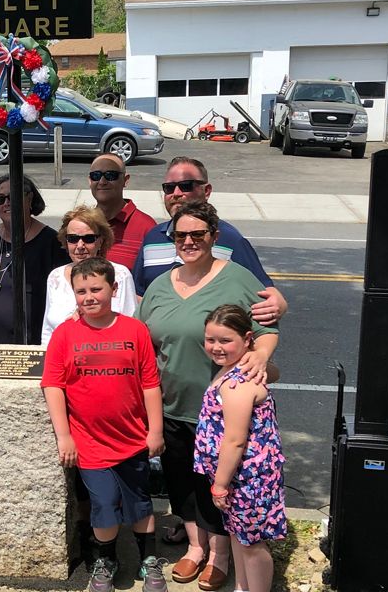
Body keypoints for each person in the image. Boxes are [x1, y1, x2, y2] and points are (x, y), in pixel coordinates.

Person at [136, 201, 278, 590]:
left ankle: (219, 554)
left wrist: (260, 359)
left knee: (218, 486)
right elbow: (142, 340)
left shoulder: (237, 278)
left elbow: (267, 326)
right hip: (171, 404)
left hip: (220, 413)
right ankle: (194, 548)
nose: (188, 241)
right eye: (180, 235)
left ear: (214, 237)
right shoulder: (162, 284)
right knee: (181, 480)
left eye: (198, 234)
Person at [42, 257, 167, 592]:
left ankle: (148, 561)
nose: (89, 296)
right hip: (89, 442)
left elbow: (150, 384)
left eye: (96, 288)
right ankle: (106, 559)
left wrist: (155, 430)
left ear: (113, 289)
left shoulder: (135, 330)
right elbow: (53, 385)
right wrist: (63, 436)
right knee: (104, 504)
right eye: (81, 291)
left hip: (132, 439)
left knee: (140, 503)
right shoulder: (66, 334)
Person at [195, 305, 287, 592]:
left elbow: (235, 440)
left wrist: (220, 484)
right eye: (211, 339)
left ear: (247, 338)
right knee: (238, 533)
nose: (216, 347)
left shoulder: (237, 384)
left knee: (251, 543)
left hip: (247, 478)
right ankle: (243, 586)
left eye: (225, 340)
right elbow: (275, 373)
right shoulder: (235, 368)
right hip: (239, 477)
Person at [131, 156, 286, 327]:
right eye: (169, 188)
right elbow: (139, 293)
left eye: (186, 186)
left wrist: (278, 303)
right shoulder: (153, 237)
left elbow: (264, 293)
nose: (176, 194)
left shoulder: (230, 239)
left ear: (207, 191)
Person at [0, 174, 68, 345]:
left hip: (35, 342)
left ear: (29, 199)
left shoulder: (52, 241)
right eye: (0, 199)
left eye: (13, 196)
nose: (6, 202)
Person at [40, 206, 138, 346]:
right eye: (73, 239)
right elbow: (48, 331)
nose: (80, 245)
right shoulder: (55, 277)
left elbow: (130, 325)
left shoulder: (120, 275)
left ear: (101, 241)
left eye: (88, 238)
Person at [88, 154, 157, 271]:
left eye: (111, 175)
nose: (102, 181)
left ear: (125, 180)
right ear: (90, 181)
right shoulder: (83, 223)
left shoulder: (147, 227)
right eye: (96, 176)